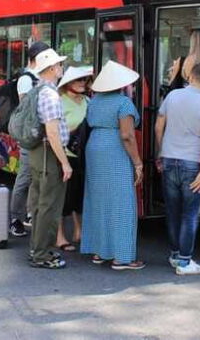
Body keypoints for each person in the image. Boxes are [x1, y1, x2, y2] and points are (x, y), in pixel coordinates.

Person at [155, 63, 200, 275]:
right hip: (192, 164)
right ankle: (184, 262)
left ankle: (174, 255)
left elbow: (158, 126)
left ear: (190, 77)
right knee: (190, 215)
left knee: (172, 212)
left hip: (169, 159)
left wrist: (160, 152)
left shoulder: (172, 96)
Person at [81, 60, 145, 270]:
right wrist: (137, 163)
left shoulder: (94, 101)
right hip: (114, 150)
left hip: (95, 147)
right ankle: (122, 257)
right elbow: (127, 135)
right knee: (122, 203)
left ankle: (99, 251)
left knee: (98, 201)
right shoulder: (123, 103)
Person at [26, 47, 73, 269]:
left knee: (38, 204)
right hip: (49, 154)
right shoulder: (50, 95)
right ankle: (42, 254)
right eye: (60, 65)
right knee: (49, 206)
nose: (62, 68)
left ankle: (37, 249)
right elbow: (53, 132)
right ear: (52, 68)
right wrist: (64, 162)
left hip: (37, 153)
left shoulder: (37, 90)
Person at [9, 41, 50, 237]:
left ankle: (30, 213)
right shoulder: (26, 79)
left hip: (42, 136)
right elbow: (26, 109)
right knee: (24, 177)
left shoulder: (42, 78)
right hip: (30, 137)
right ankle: (15, 218)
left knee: (36, 179)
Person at [55, 65, 93, 252]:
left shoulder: (87, 100)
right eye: (79, 80)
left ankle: (79, 231)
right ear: (68, 83)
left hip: (83, 155)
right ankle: (59, 236)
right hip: (66, 155)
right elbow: (55, 130)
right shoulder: (60, 101)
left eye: (84, 80)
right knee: (63, 197)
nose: (82, 83)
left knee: (80, 195)